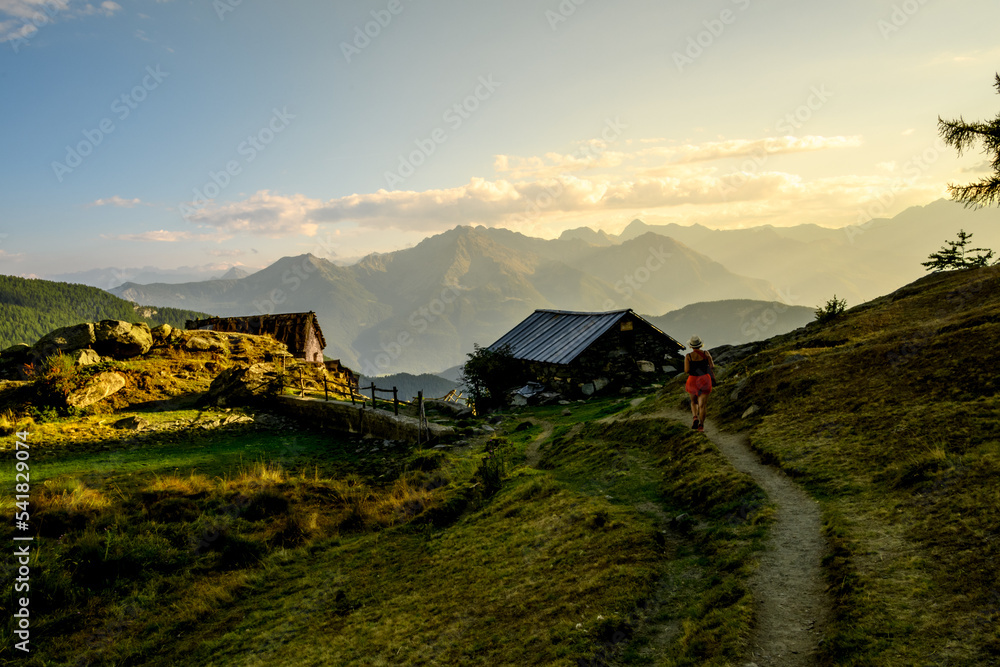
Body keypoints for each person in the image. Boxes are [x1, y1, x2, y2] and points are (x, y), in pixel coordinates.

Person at [684, 335, 714, 432]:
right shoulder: (706, 353)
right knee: (702, 405)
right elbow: (712, 366)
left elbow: (686, 370)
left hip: (692, 379)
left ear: (691, 346)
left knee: (693, 402)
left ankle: (694, 417)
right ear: (700, 345)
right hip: (704, 379)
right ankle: (701, 426)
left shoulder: (688, 356)